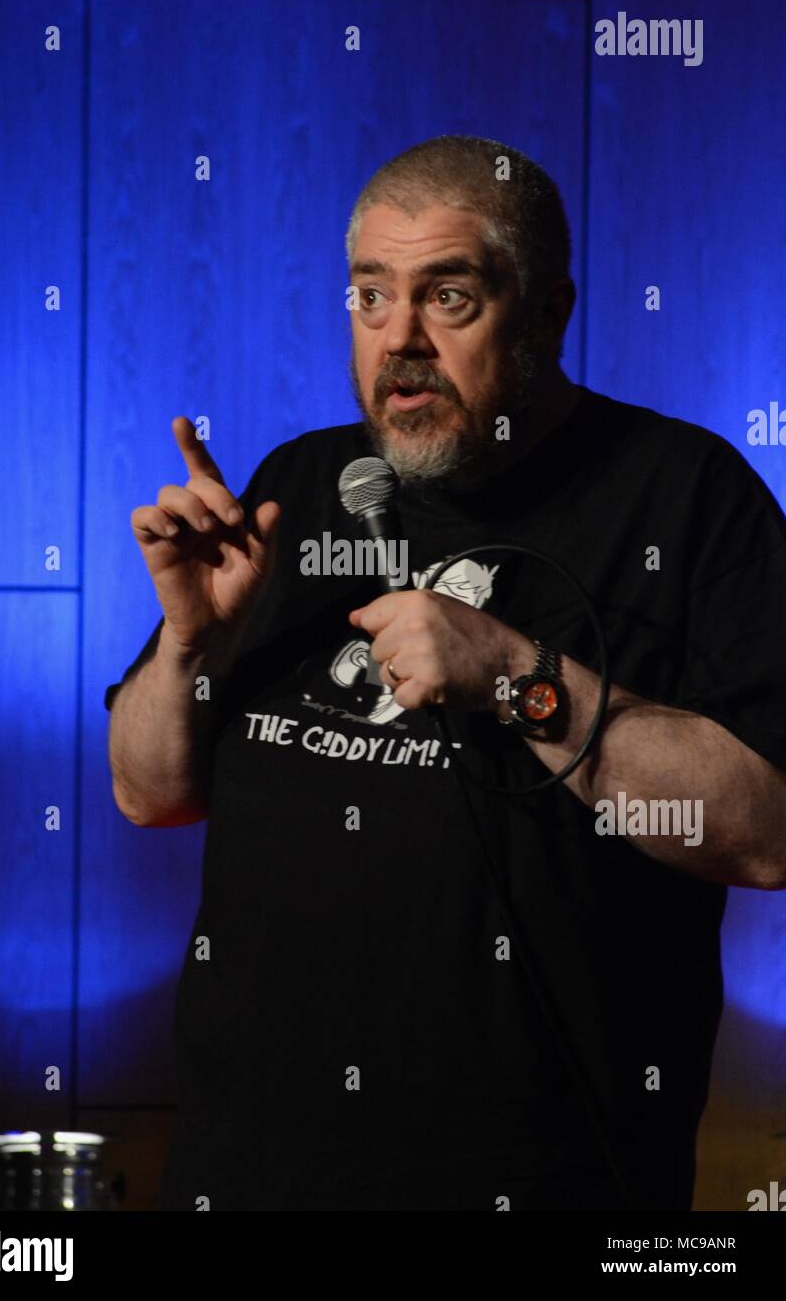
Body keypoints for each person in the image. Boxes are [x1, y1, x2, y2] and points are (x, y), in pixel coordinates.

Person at [105, 135, 786, 1212]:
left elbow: (768, 829)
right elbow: (149, 789)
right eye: (370, 297)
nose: (399, 342)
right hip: (248, 1179)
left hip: (541, 1183)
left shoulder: (686, 497)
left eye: (449, 297)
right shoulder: (306, 482)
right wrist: (194, 643)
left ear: (550, 313)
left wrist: (516, 675)